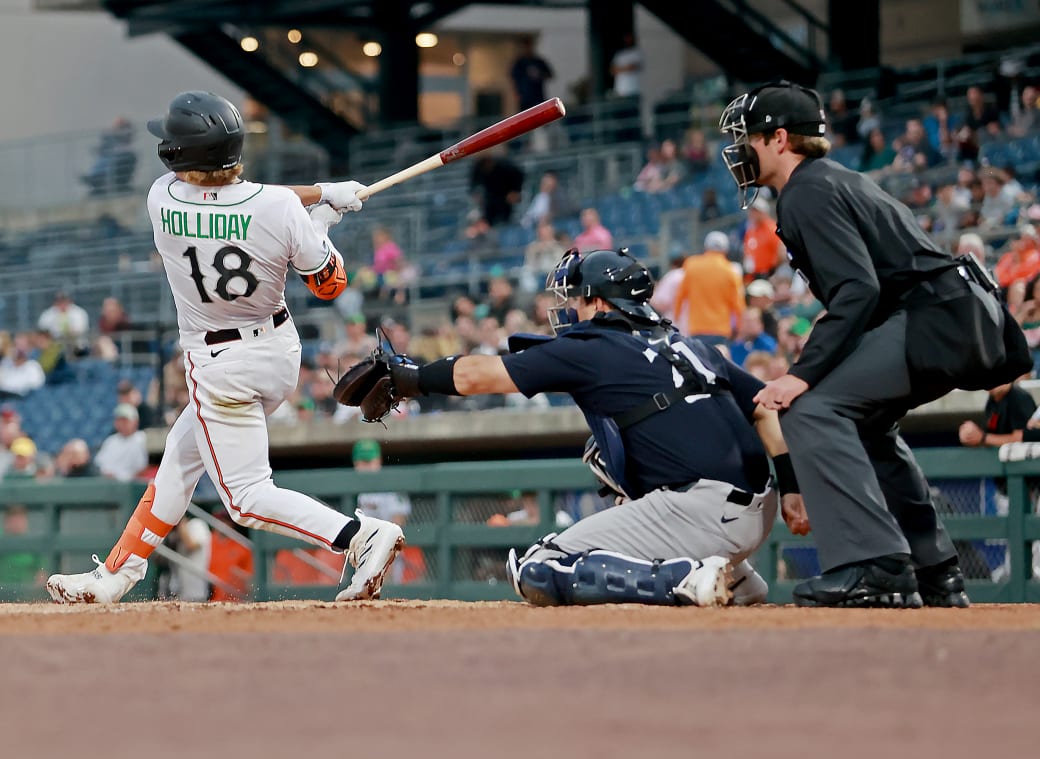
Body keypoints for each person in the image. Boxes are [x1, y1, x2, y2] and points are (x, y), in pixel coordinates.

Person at [45, 90, 404, 604]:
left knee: (246, 499)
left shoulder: (160, 198)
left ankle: (360, 537)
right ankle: (117, 575)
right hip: (277, 352)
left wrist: (318, 201)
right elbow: (330, 284)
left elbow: (241, 202)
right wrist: (320, 221)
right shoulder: (279, 207)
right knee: (179, 458)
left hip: (220, 365)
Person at [335, 248, 806, 607]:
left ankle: (682, 578)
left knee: (538, 567)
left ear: (599, 302)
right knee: (610, 453)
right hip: (756, 508)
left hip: (701, 513)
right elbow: (765, 408)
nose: (570, 308)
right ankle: (737, 580)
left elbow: (482, 375)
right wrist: (791, 488)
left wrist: (412, 379)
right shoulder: (692, 346)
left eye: (578, 299)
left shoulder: (593, 346)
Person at [719, 80, 1028, 607]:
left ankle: (873, 565)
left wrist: (802, 374)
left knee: (811, 410)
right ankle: (935, 571)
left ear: (779, 140)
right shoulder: (828, 179)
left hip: (935, 318)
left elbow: (858, 289)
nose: (740, 148)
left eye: (749, 135)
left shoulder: (806, 189)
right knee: (864, 420)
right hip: (954, 314)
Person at [673, 231, 744, 349]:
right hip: (721, 329)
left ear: (706, 247)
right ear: (726, 250)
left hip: (697, 326)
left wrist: (676, 318)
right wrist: (739, 327)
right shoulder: (730, 270)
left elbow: (680, 295)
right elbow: (737, 303)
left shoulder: (691, 265)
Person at [94, 403, 148, 481]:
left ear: (135, 421)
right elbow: (99, 464)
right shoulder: (110, 441)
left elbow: (144, 469)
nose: (121, 424)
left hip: (132, 487)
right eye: (119, 420)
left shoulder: (143, 439)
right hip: (108, 485)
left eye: (125, 420)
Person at [509, 35, 554, 112]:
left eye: (528, 46)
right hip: (525, 98)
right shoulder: (519, 63)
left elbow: (550, 74)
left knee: (541, 116)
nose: (526, 48)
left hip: (538, 96)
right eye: (524, 46)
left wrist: (539, 75)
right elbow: (514, 78)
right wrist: (517, 94)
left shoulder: (539, 61)